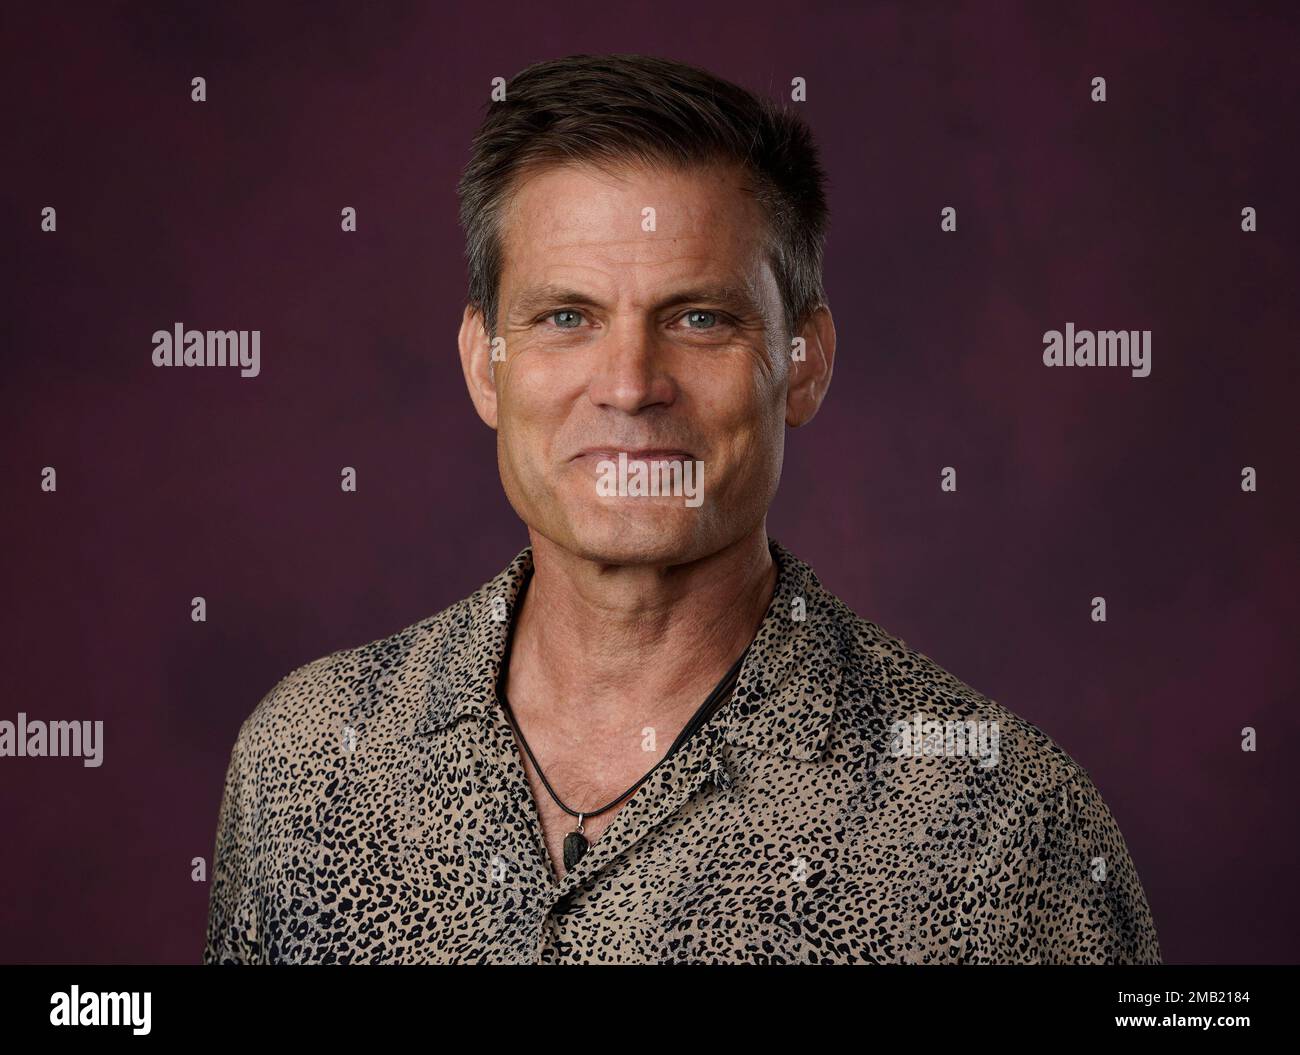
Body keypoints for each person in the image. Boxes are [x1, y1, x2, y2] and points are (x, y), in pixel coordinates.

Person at [203, 53, 1160, 965]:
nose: (629, 385)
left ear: (804, 361)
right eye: (566, 317)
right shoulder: (307, 764)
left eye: (699, 317)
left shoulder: (1005, 827)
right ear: (481, 364)